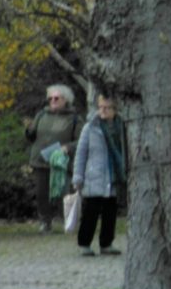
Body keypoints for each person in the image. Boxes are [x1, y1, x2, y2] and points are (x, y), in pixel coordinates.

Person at [72, 94, 128, 256]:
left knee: (110, 214)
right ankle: (84, 243)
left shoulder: (121, 127)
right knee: (90, 213)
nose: (102, 110)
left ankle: (106, 243)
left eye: (107, 107)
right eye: (100, 107)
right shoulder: (90, 127)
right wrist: (78, 177)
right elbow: (81, 153)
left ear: (115, 110)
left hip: (113, 176)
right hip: (93, 177)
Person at [24, 87, 81, 233]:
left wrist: (68, 147)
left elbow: (81, 140)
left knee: (63, 192)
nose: (53, 101)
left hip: (61, 161)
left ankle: (67, 220)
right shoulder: (41, 114)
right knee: (42, 193)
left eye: (57, 98)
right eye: (50, 98)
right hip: (41, 160)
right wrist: (28, 129)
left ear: (66, 100)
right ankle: (45, 222)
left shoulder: (74, 118)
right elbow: (32, 136)